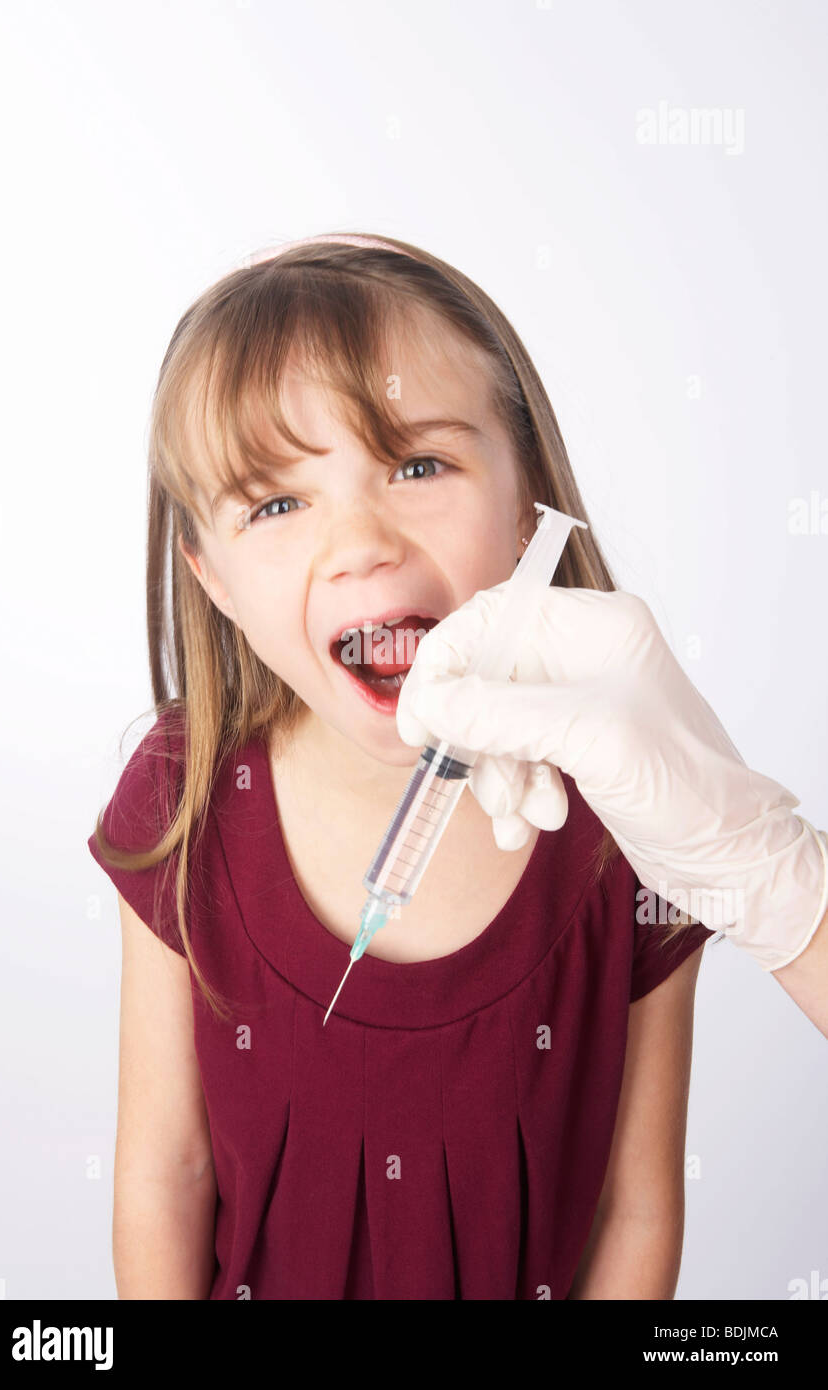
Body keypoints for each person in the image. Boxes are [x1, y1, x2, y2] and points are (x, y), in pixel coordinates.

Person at [87, 232, 826, 1301]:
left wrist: (774, 877)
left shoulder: (632, 823)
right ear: (211, 579)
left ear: (529, 508)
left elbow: (633, 1206)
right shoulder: (185, 797)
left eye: (417, 464)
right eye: (277, 502)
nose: (360, 543)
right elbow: (166, 1171)